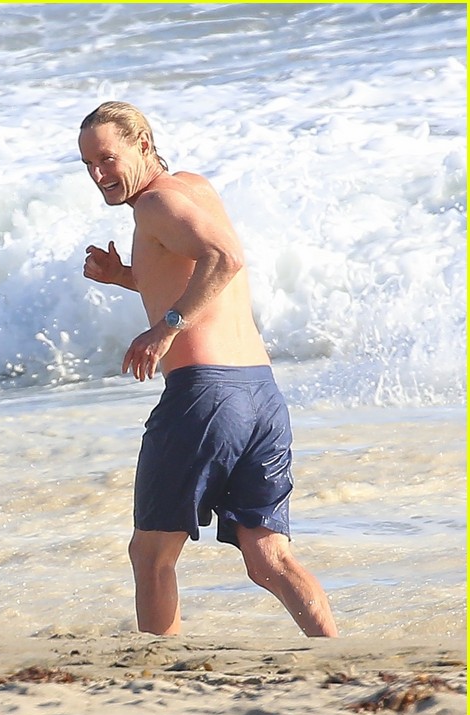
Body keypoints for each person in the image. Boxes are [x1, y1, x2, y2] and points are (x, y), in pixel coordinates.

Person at [77, 101, 338, 637]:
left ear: (143, 144)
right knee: (269, 560)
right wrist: (127, 276)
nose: (99, 175)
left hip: (206, 396)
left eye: (107, 158)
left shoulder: (156, 205)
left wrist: (166, 327)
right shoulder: (191, 187)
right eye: (88, 165)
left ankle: (159, 681)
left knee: (150, 555)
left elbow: (226, 258)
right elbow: (198, 273)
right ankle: (337, 659)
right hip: (260, 395)